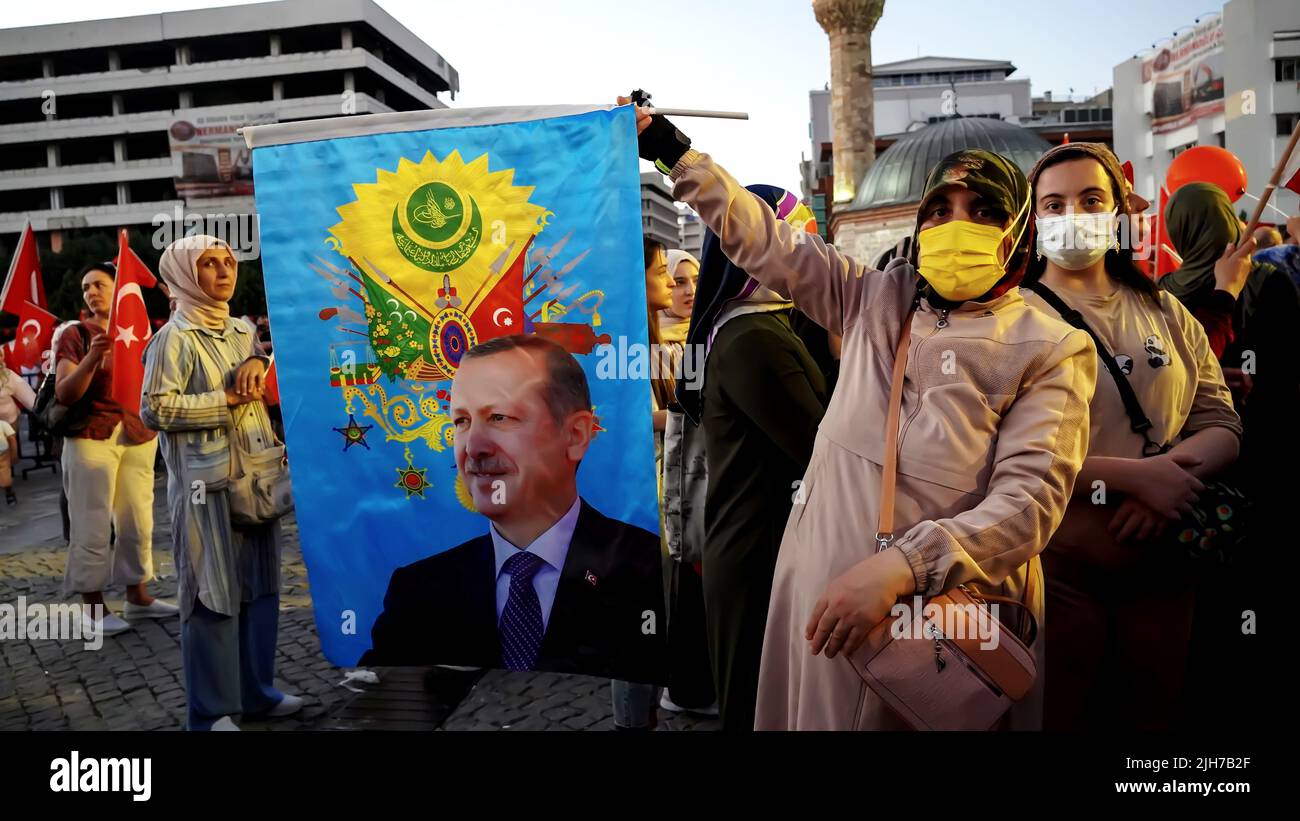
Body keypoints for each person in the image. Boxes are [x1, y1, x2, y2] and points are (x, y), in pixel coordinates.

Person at [628, 97, 1098, 730]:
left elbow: (1029, 503)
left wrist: (902, 568)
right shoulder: (877, 298)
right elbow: (764, 237)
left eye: (985, 211)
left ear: (1017, 230)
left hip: (938, 619)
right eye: (941, 210)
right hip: (820, 599)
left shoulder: (1050, 344)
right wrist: (671, 149)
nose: (959, 227)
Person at [1018, 143, 1242, 730]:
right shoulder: (1008, 320)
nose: (1073, 216)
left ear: (1119, 211)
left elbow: (1220, 421)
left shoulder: (1165, 309)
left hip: (1165, 569)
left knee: (1154, 720)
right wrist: (1138, 479)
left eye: (1091, 200)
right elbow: (996, 451)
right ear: (1034, 220)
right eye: (1054, 204)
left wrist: (1170, 483)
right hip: (1053, 576)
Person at [362, 334, 667, 684]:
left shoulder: (652, 575)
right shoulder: (416, 592)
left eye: (500, 417)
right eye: (461, 421)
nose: (472, 447)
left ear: (576, 435)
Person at [667, 183, 830, 731]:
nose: (808, 259)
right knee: (761, 707)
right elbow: (822, 445)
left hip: (755, 548)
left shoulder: (751, 325)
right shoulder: (753, 335)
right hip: (760, 555)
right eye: (794, 242)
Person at [141, 235, 300, 731]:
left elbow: (259, 375)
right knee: (211, 596)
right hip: (202, 489)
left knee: (260, 589)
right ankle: (210, 715)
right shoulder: (175, 338)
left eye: (228, 261)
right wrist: (224, 399)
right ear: (185, 276)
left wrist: (259, 361)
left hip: (254, 478)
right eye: (208, 264)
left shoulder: (240, 328)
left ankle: (257, 692)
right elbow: (155, 408)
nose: (223, 271)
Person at [1162, 184, 1300, 729]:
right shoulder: (1265, 282)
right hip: (1266, 450)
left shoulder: (1162, 293)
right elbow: (1287, 371)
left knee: (1208, 591)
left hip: (1191, 471)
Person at [56, 262, 175, 638]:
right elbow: (65, 392)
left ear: (121, 289)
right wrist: (93, 357)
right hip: (90, 435)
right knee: (91, 522)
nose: (91, 292)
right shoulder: (74, 334)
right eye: (86, 287)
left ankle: (137, 596)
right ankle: (93, 608)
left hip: (137, 433)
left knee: (137, 519)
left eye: (100, 285)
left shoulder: (144, 331)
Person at [0, 345, 35, 505]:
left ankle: (8, 490)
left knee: (4, 458)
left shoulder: (8, 377)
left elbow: (29, 398)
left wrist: (43, 411)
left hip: (8, 422)